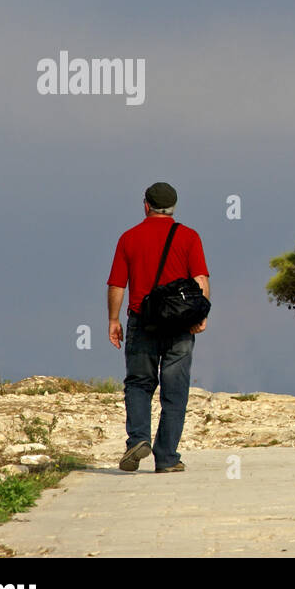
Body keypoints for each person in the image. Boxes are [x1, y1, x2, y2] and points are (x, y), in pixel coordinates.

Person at [106, 182, 209, 473]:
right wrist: (202, 315)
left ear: (146, 205)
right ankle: (166, 458)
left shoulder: (129, 238)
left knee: (139, 383)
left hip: (143, 321)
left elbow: (117, 284)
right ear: (173, 207)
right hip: (181, 324)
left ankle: (138, 439)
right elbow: (200, 280)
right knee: (175, 390)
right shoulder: (189, 237)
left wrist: (113, 320)